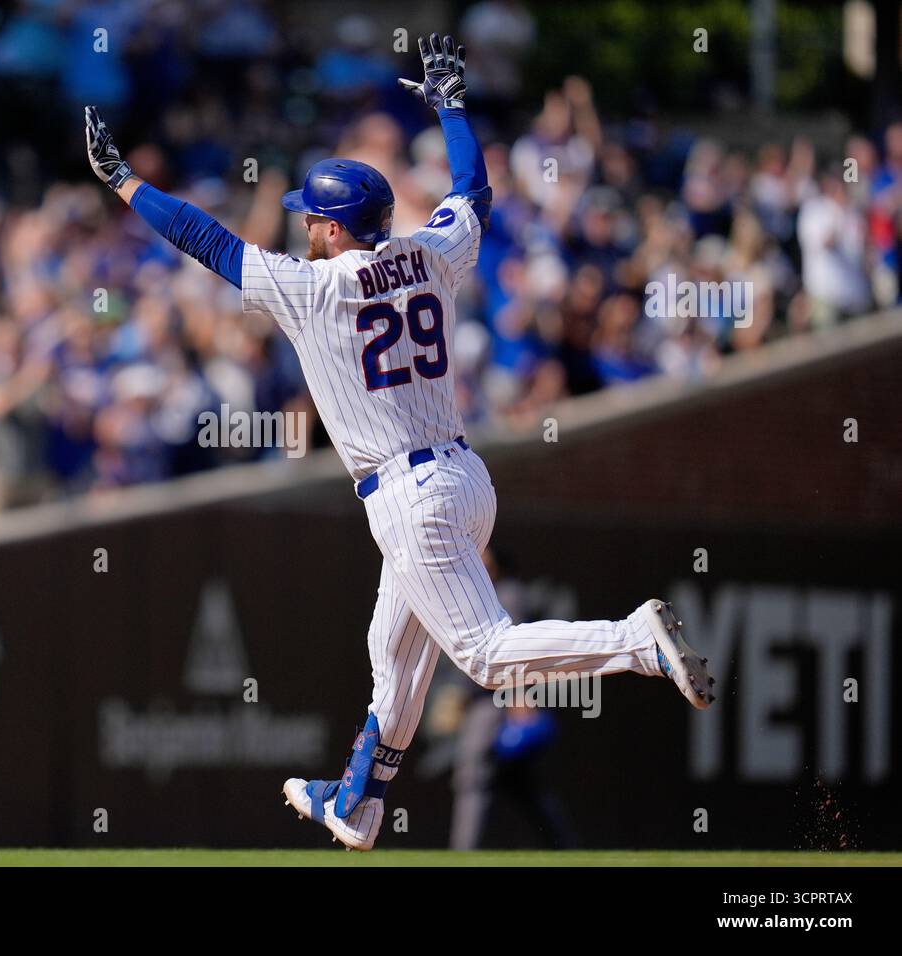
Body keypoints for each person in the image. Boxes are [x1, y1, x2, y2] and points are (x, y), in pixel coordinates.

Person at [84, 33, 713, 852]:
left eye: (314, 219)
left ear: (335, 229)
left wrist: (125, 181)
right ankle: (359, 802)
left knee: (486, 658)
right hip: (462, 475)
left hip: (411, 494)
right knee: (391, 650)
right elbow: (475, 190)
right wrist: (451, 104)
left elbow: (205, 241)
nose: (305, 229)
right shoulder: (429, 252)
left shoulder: (312, 289)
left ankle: (635, 642)